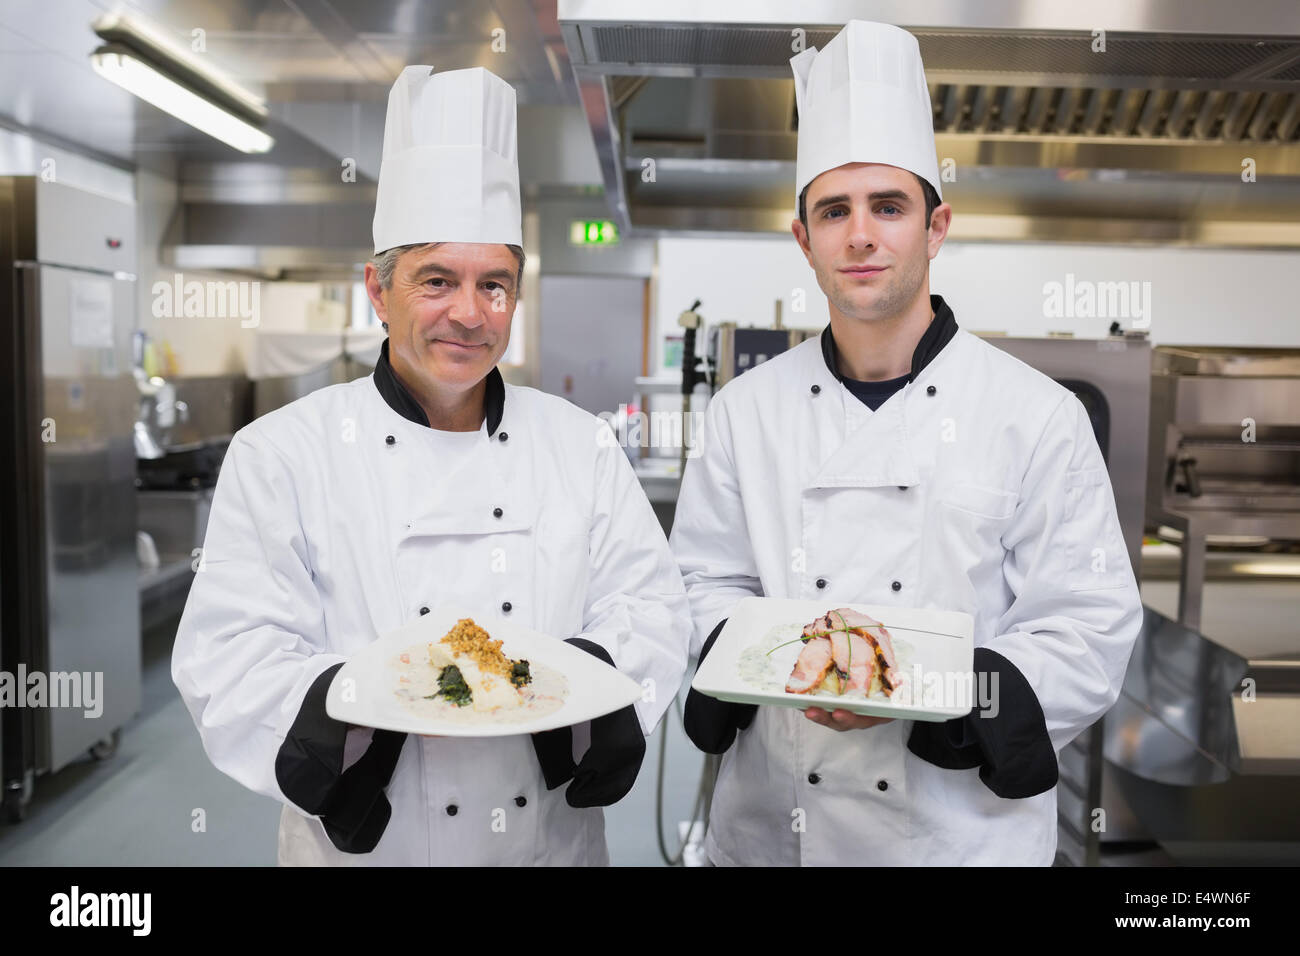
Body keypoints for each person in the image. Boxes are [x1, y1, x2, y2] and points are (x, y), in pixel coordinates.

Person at [172, 65, 689, 865]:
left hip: (542, 841)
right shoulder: (282, 452)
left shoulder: (579, 445)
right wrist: (351, 735)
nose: (469, 314)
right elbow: (229, 654)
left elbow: (650, 606)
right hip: (372, 846)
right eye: (437, 280)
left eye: (495, 285)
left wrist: (589, 690)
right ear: (378, 291)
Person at [670, 20, 1141, 866]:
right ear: (803, 238)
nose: (861, 235)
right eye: (834, 211)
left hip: (955, 839)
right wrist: (752, 661)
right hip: (775, 832)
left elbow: (1088, 621)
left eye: (889, 207)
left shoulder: (1034, 415)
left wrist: (949, 694)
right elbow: (705, 583)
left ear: (936, 225)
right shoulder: (744, 413)